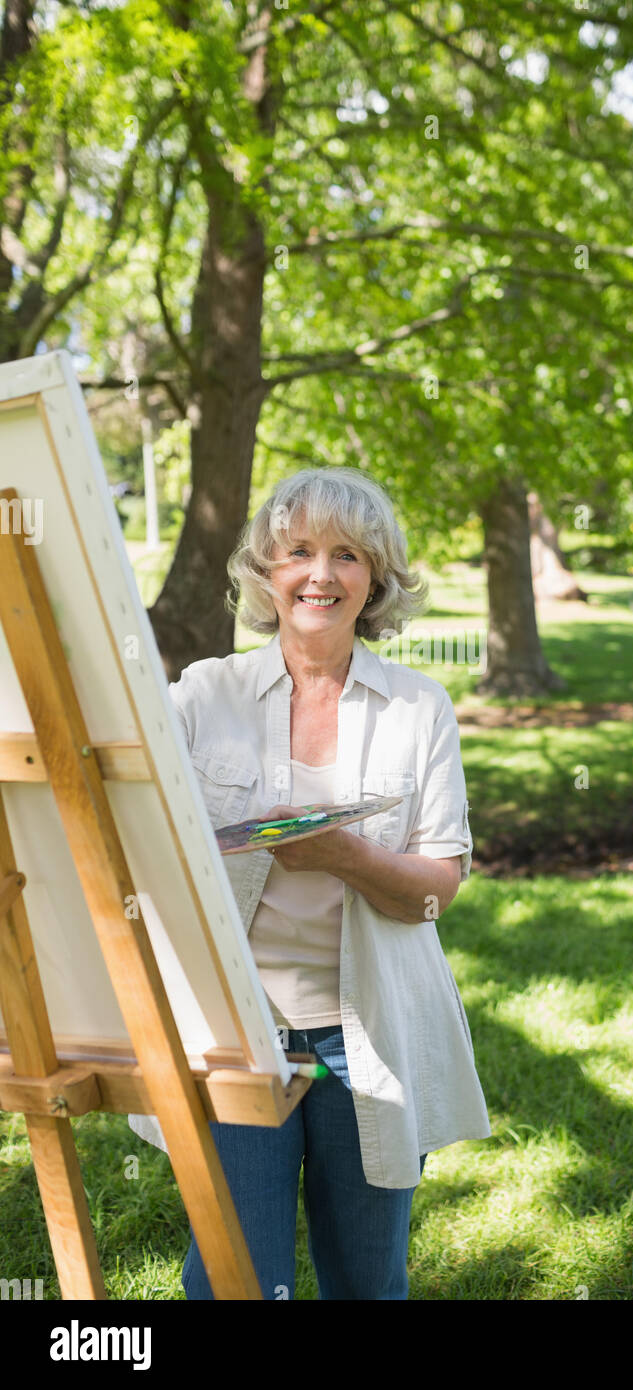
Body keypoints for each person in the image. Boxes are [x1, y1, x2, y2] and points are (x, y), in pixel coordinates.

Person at [128, 466, 490, 1300]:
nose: (320, 574)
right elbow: (141, 846)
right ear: (265, 570)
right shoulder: (202, 694)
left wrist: (346, 856)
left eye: (347, 555)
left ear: (377, 580)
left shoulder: (418, 707)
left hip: (367, 1035)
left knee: (366, 1281)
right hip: (236, 1032)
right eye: (297, 550)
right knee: (233, 1279)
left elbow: (438, 888)